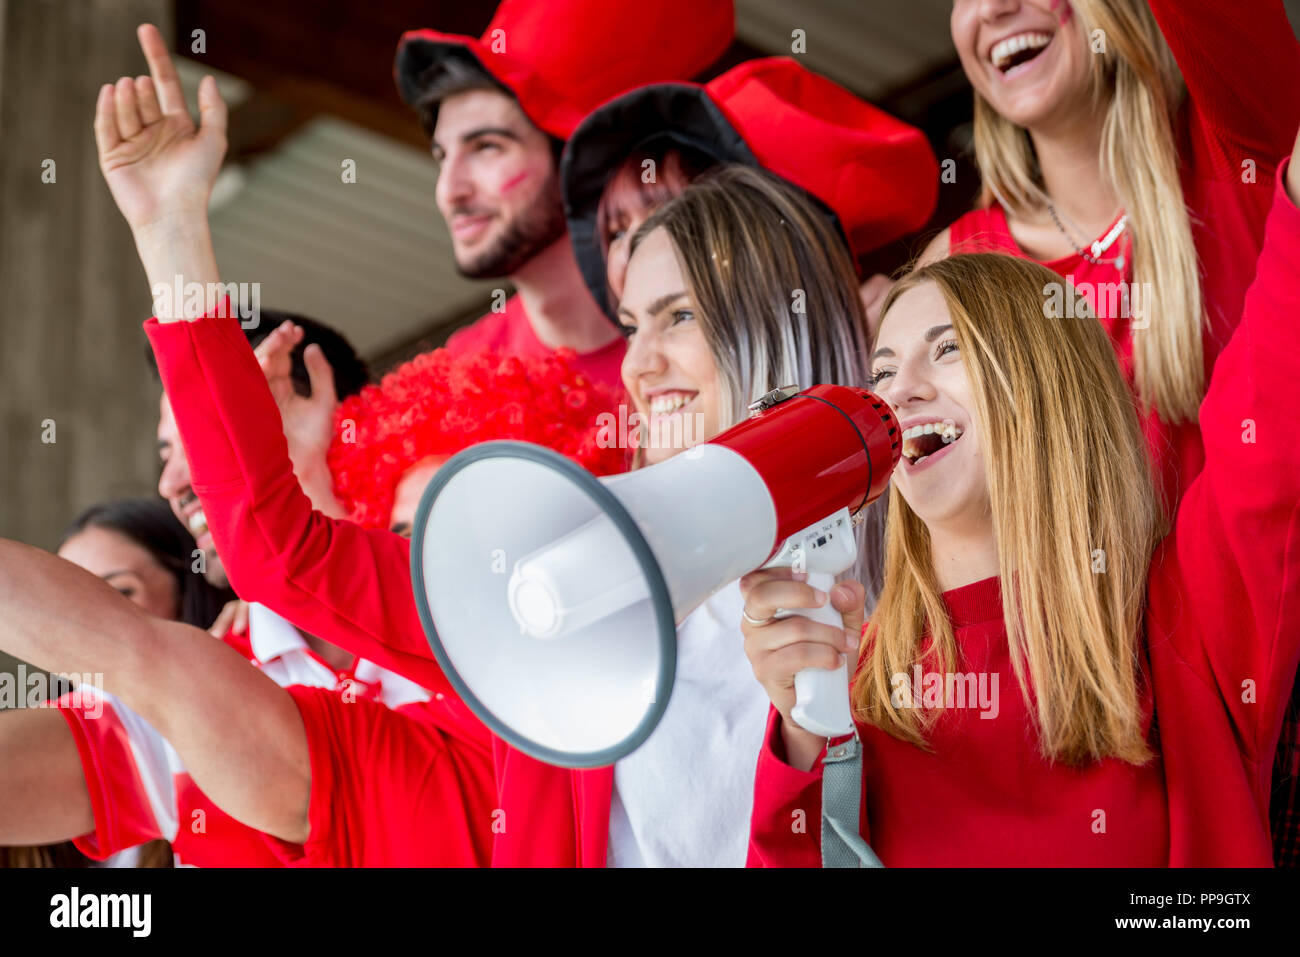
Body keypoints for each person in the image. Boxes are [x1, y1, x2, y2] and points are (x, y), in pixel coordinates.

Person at [742, 124, 1300, 867]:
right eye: (880, 373)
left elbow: (1269, 415)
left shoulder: (1178, 613)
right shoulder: (856, 676)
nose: (897, 392)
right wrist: (804, 736)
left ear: (1048, 386)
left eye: (947, 349)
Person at [0, 347, 625, 866]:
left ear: (341, 429)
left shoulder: (521, 662)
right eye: (170, 449)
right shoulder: (217, 668)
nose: (178, 481)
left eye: (219, 435)